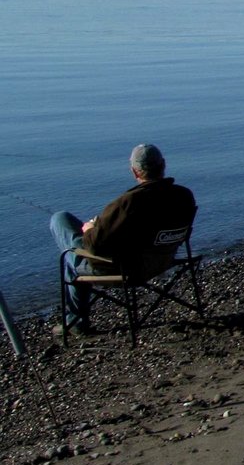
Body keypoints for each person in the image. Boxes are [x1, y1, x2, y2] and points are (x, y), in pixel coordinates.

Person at [51, 143, 197, 335]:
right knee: (74, 238)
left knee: (62, 226)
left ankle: (76, 321)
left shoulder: (128, 203)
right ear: (163, 165)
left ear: (135, 171)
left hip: (129, 269)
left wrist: (88, 229)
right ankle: (76, 320)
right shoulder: (183, 195)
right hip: (163, 259)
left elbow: (93, 247)